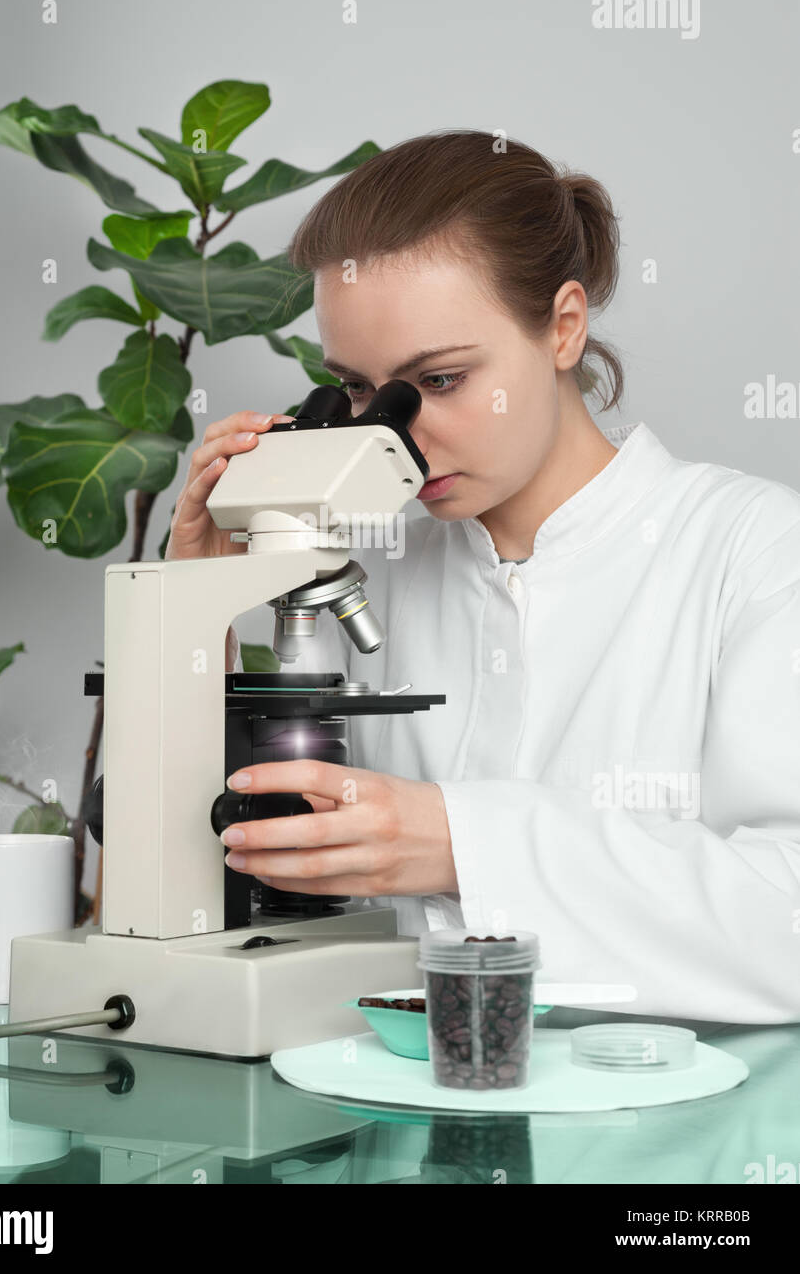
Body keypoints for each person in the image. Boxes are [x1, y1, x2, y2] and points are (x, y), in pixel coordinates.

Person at [165, 131, 800, 1024]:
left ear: (564, 327)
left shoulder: (755, 552)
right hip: (383, 1121)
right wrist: (195, 613)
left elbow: (789, 919)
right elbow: (212, 884)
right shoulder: (361, 571)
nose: (397, 435)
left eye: (443, 379)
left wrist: (461, 846)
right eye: (357, 390)